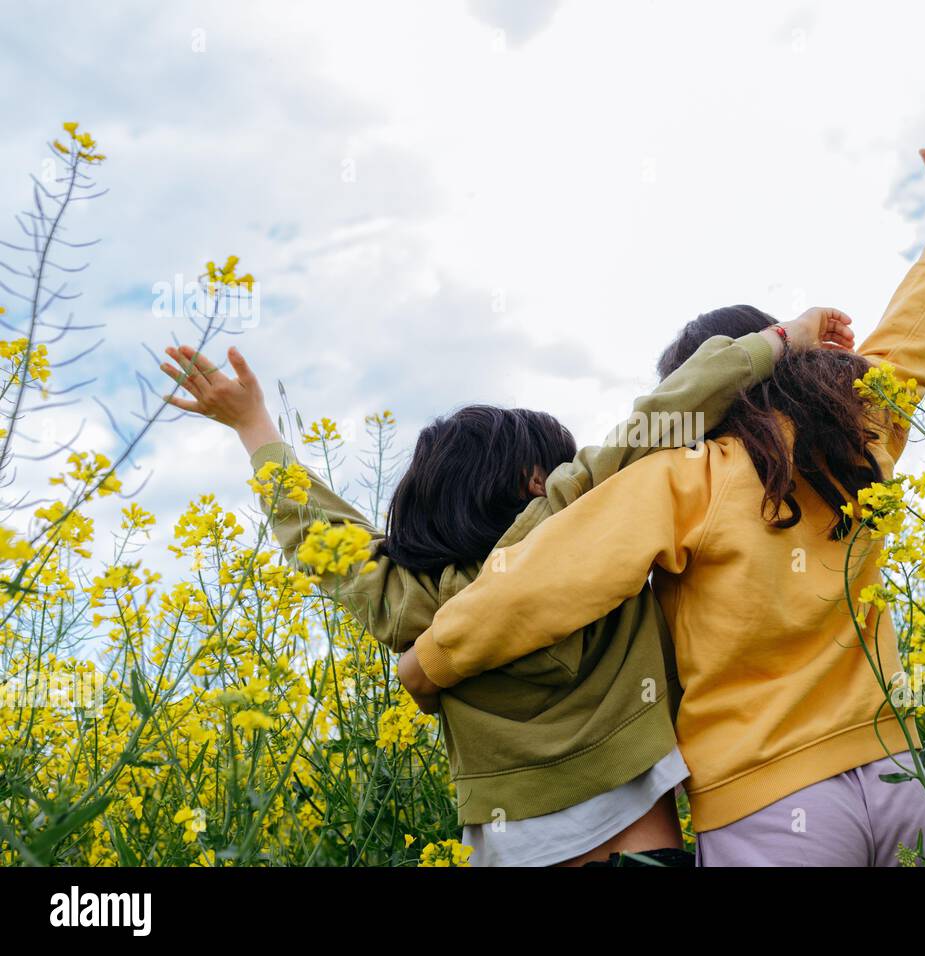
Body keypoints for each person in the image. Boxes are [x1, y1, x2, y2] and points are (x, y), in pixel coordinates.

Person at [400, 108, 925, 865]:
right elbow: (912, 340)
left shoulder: (689, 476)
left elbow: (549, 578)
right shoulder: (863, 438)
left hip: (769, 803)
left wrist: (434, 658)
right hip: (899, 779)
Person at [158, 305, 851, 866]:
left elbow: (318, 537)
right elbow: (661, 415)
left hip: (511, 843)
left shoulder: (406, 597)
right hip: (639, 836)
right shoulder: (568, 520)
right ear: (530, 481)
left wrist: (254, 426)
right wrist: (779, 340)